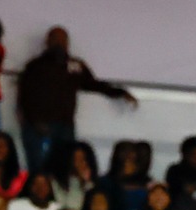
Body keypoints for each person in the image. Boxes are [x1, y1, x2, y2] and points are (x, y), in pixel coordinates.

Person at [15, 28, 134, 173]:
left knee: (65, 171)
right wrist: (33, 122)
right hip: (39, 126)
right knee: (40, 171)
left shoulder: (75, 65)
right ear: (47, 42)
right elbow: (24, 97)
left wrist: (120, 92)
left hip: (65, 126)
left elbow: (93, 84)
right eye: (55, 39)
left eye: (63, 40)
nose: (59, 43)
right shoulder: (35, 66)